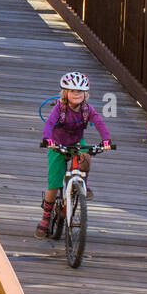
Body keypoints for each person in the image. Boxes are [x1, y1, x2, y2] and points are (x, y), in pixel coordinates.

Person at [38, 72, 112, 238]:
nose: (76, 94)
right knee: (54, 184)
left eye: (80, 92)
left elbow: (99, 122)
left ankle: (82, 184)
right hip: (57, 143)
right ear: (65, 93)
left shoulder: (87, 109)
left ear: (85, 94)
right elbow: (49, 123)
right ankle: (46, 217)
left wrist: (106, 139)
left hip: (77, 141)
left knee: (85, 158)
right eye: (72, 91)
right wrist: (47, 139)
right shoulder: (60, 108)